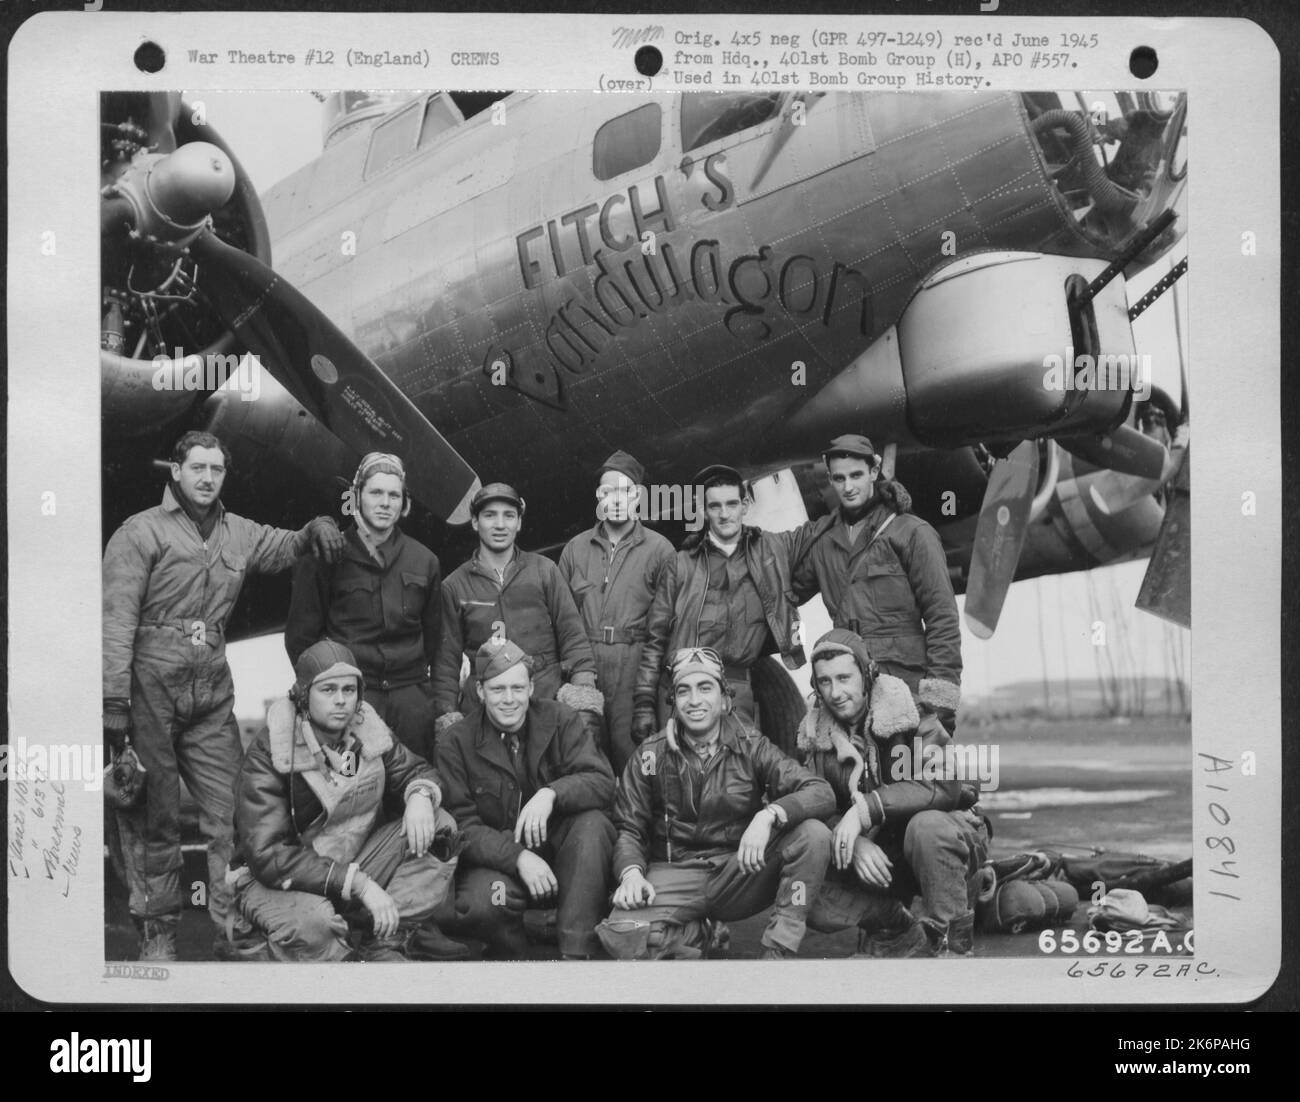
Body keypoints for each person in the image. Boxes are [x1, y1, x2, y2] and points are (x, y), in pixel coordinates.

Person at [102, 430, 345, 962]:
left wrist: (311, 531)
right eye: (197, 468)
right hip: (150, 690)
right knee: (153, 817)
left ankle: (232, 930)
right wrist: (114, 699)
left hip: (210, 691)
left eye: (216, 469)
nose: (208, 478)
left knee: (232, 814)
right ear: (176, 472)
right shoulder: (139, 533)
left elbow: (282, 545)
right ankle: (157, 934)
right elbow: (116, 617)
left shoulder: (238, 532)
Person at [231, 641, 464, 962]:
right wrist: (359, 884)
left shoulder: (365, 726)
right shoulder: (271, 750)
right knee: (316, 927)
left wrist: (421, 795)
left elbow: (415, 770)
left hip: (346, 866)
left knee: (441, 827)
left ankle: (383, 943)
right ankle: (265, 945)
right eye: (328, 690)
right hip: (277, 882)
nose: (341, 700)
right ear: (302, 695)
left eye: (349, 689)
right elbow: (268, 855)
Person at [605, 648, 835, 960]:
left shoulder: (751, 746)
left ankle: (779, 949)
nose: (694, 700)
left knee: (813, 834)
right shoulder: (650, 756)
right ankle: (701, 933)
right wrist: (631, 873)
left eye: (705, 688)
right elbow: (630, 827)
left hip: (739, 872)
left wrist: (770, 814)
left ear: (724, 699)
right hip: (677, 873)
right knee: (623, 934)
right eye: (683, 691)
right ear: (673, 701)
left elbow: (820, 791)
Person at [795, 629, 988, 956]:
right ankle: (898, 930)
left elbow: (942, 783)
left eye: (844, 678)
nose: (836, 692)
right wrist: (852, 843)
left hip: (936, 844)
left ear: (868, 675)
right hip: (880, 854)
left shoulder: (911, 714)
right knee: (805, 886)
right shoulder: (815, 737)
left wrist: (864, 810)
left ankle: (953, 945)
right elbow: (811, 805)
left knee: (928, 826)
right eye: (825, 682)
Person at [435, 640, 616, 959]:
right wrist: (517, 857)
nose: (509, 699)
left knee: (593, 825)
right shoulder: (455, 742)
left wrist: (552, 793)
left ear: (532, 686)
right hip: (499, 864)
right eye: (497, 689)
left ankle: (575, 954)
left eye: (518, 688)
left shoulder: (561, 719)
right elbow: (461, 827)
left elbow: (601, 781)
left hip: (564, 858)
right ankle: (521, 955)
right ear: (480, 691)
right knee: (484, 902)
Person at [789, 434, 963, 735]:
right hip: (848, 692)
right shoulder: (824, 543)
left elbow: (942, 620)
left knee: (916, 781)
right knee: (853, 778)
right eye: (840, 478)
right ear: (830, 479)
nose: (849, 487)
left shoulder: (912, 533)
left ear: (874, 471)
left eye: (856, 475)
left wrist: (939, 706)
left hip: (907, 693)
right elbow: (787, 590)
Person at [632, 464, 805, 745]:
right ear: (703, 510)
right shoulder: (680, 565)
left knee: (739, 778)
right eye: (715, 506)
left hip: (737, 690)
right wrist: (642, 702)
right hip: (683, 690)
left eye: (732, 504)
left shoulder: (772, 550)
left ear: (745, 504)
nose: (724, 514)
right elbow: (655, 639)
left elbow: (824, 532)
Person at [285, 452, 441, 760]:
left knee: (415, 786)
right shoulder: (324, 559)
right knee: (353, 790)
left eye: (394, 495)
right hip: (352, 707)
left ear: (404, 503)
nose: (385, 503)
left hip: (411, 706)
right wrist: (328, 698)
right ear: (357, 498)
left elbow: (437, 642)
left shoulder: (426, 561)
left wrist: (431, 701)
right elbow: (301, 640)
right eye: (376, 493)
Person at [433, 482, 601, 740]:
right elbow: (446, 663)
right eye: (490, 515)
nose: (500, 525)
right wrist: (447, 717)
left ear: (519, 523)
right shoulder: (454, 586)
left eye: (509, 516)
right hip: (484, 713)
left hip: (545, 702)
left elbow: (573, 638)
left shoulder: (545, 571)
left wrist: (583, 700)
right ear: (475, 522)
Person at [557, 450, 674, 774]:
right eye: (608, 492)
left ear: (638, 495)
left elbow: (665, 626)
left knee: (634, 756)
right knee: (586, 756)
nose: (617, 499)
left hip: (634, 665)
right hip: (585, 665)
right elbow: (561, 619)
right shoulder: (575, 549)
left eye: (625, 491)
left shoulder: (660, 550)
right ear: (599, 497)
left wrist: (649, 691)